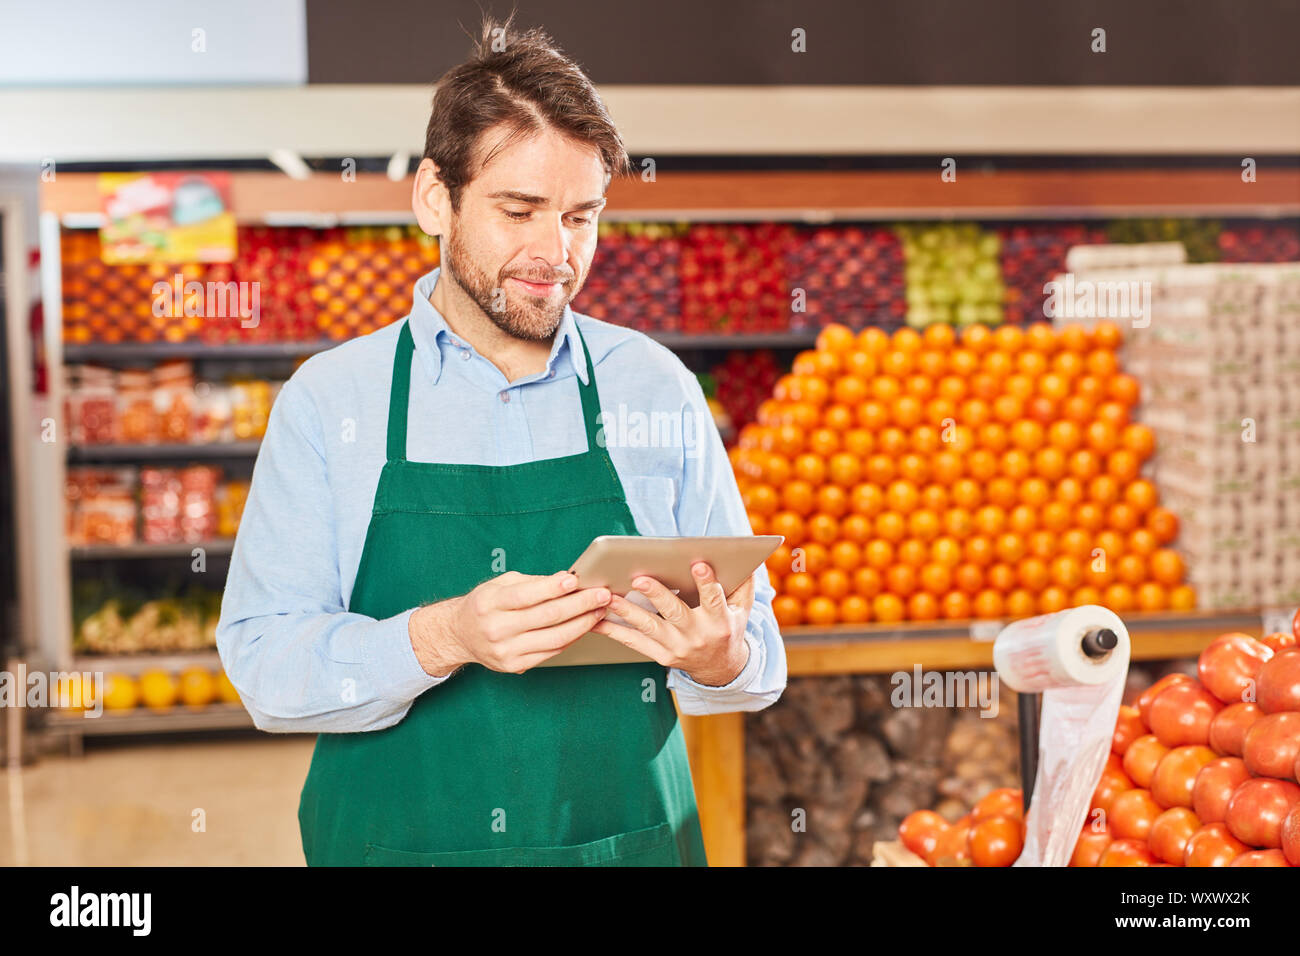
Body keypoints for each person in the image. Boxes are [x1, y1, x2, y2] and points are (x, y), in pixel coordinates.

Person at [216, 13, 785, 867]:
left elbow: (760, 655)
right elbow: (265, 669)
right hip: (396, 848)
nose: (554, 253)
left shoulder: (652, 387)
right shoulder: (332, 401)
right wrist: (442, 637)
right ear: (433, 200)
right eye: (518, 210)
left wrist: (719, 657)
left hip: (622, 847)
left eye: (580, 217)